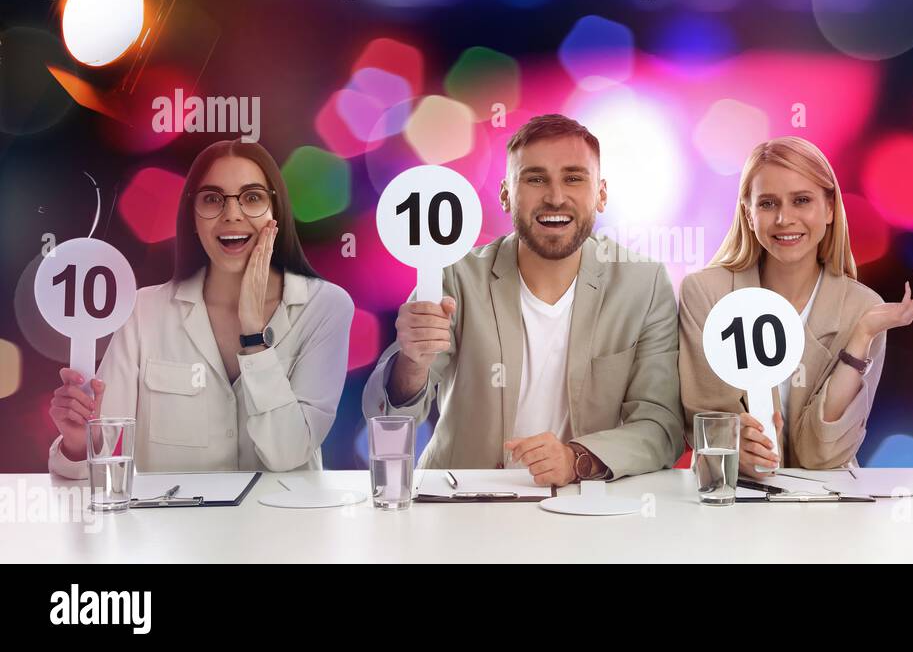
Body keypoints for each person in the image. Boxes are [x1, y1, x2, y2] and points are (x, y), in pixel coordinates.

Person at [362, 114, 684, 485]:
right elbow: (386, 417)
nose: (555, 197)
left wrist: (575, 460)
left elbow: (661, 427)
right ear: (505, 195)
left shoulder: (643, 284)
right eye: (535, 179)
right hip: (458, 502)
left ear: (601, 194)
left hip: (583, 507)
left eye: (574, 178)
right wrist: (412, 362)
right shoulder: (451, 275)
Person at [47, 139, 354, 477]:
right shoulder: (144, 311)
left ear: (275, 212)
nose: (232, 214)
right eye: (212, 199)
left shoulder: (325, 307)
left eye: (252, 197)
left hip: (284, 525)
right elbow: (95, 454)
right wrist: (77, 443)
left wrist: (253, 335)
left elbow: (288, 453)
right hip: (174, 526)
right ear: (192, 217)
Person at [679, 136, 913, 476]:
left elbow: (822, 455)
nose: (785, 218)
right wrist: (727, 440)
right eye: (768, 204)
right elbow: (701, 417)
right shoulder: (705, 293)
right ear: (748, 212)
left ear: (830, 208)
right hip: (733, 496)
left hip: (825, 504)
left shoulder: (862, 310)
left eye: (801, 200)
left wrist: (861, 336)